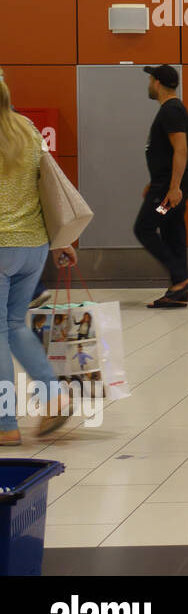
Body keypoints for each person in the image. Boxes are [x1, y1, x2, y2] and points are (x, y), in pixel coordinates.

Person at [0, 69, 78, 445]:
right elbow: (49, 185)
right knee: (15, 325)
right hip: (34, 246)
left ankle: (5, 424)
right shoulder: (28, 129)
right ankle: (53, 396)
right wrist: (62, 240)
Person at [134, 65, 188, 309]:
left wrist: (173, 188)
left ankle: (180, 278)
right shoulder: (170, 110)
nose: (149, 83)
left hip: (169, 192)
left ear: (158, 82)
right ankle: (177, 293)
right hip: (166, 186)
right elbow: (168, 152)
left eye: (150, 79)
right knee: (173, 231)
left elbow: (181, 149)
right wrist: (156, 181)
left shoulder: (171, 110)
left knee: (145, 227)